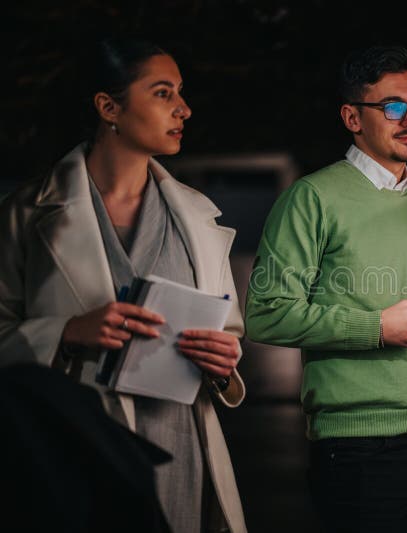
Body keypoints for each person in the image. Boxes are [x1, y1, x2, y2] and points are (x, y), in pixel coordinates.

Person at [245, 45, 407, 532]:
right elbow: (266, 312)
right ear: (352, 116)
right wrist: (376, 328)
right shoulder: (311, 199)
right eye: (392, 106)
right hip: (356, 450)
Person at [0, 38, 247, 533]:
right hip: (76, 450)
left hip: (182, 450)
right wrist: (67, 332)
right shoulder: (25, 215)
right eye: (162, 93)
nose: (184, 108)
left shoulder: (197, 216)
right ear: (108, 107)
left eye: (181, 92)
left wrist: (224, 365)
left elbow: (229, 333)